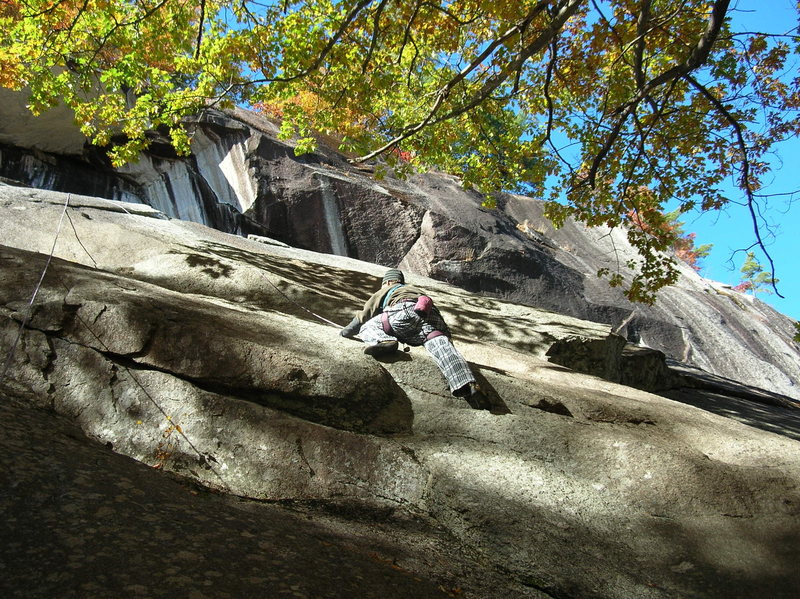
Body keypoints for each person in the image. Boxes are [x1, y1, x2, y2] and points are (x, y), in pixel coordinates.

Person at [340, 269, 488, 407]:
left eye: (384, 283)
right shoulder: (416, 291)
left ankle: (384, 341)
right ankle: (469, 385)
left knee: (369, 326)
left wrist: (345, 332)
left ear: (389, 282)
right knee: (443, 349)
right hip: (432, 320)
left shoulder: (390, 289)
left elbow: (364, 316)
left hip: (404, 312)